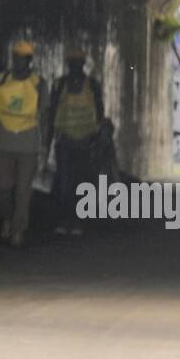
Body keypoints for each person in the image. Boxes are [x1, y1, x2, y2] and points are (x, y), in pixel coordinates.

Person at [46, 49, 104, 236]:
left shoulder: (93, 85)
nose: (76, 67)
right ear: (68, 65)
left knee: (81, 182)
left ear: (83, 65)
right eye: (73, 64)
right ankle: (64, 218)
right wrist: (47, 142)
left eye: (79, 64)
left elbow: (100, 113)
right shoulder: (60, 84)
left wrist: (98, 139)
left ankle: (78, 220)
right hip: (65, 142)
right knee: (65, 183)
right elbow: (52, 112)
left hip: (86, 143)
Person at [0, 41, 45, 247]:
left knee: (23, 189)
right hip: (4, 141)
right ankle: (7, 218)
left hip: (28, 142)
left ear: (29, 61)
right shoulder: (2, 79)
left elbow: (45, 114)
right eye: (15, 58)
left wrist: (45, 144)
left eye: (22, 59)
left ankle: (18, 230)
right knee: (3, 186)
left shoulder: (39, 83)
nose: (18, 62)